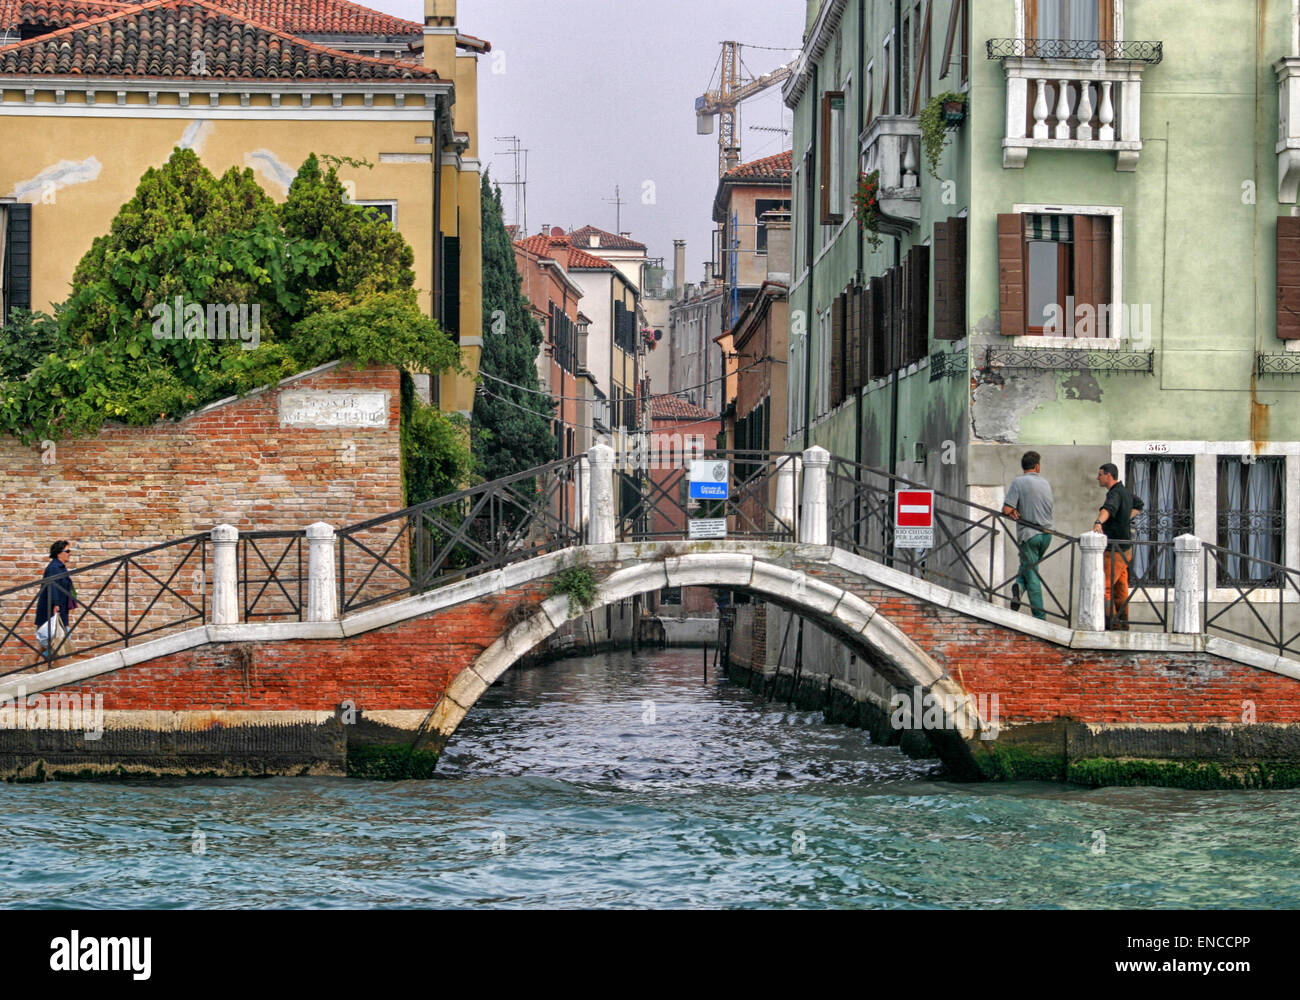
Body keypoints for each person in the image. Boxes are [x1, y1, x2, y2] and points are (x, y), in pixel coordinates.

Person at [1002, 451, 1054, 620]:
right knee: (1029, 567)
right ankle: (1018, 586)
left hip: (1030, 534)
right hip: (1047, 534)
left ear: (1023, 466)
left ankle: (1040, 616)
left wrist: (1014, 510)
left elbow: (1007, 509)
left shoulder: (1019, 482)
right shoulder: (1045, 483)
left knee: (1032, 574)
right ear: (1037, 466)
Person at [1094, 464, 1145, 631]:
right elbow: (1139, 504)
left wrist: (1098, 522)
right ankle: (1123, 623)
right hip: (1126, 548)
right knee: (1121, 588)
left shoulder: (1115, 493)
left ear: (1109, 476)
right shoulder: (1124, 491)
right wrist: (1125, 518)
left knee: (1106, 587)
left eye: (1100, 475)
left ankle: (1112, 624)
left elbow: (1108, 509)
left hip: (1114, 549)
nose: (1098, 478)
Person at [35, 540, 75, 662]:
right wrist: (56, 604)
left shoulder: (60, 567)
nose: (70, 554)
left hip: (59, 605)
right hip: (52, 606)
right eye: (67, 551)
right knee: (57, 636)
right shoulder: (54, 567)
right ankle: (58, 663)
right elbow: (52, 587)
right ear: (59, 553)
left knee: (55, 635)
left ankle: (34, 659)